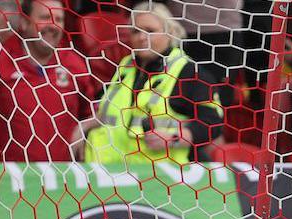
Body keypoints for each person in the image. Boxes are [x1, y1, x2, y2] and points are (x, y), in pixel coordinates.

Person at [0, 0, 95, 162]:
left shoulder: (75, 65)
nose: (53, 25)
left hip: (63, 179)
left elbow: (91, 112)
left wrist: (84, 128)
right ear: (24, 23)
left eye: (59, 20)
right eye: (45, 17)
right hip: (8, 179)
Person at [80, 2, 224, 165]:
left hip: (160, 179)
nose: (142, 37)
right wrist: (85, 126)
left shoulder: (189, 73)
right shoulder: (125, 67)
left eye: (150, 31)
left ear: (170, 32)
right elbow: (112, 113)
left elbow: (213, 123)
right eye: (136, 31)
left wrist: (175, 138)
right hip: (109, 173)